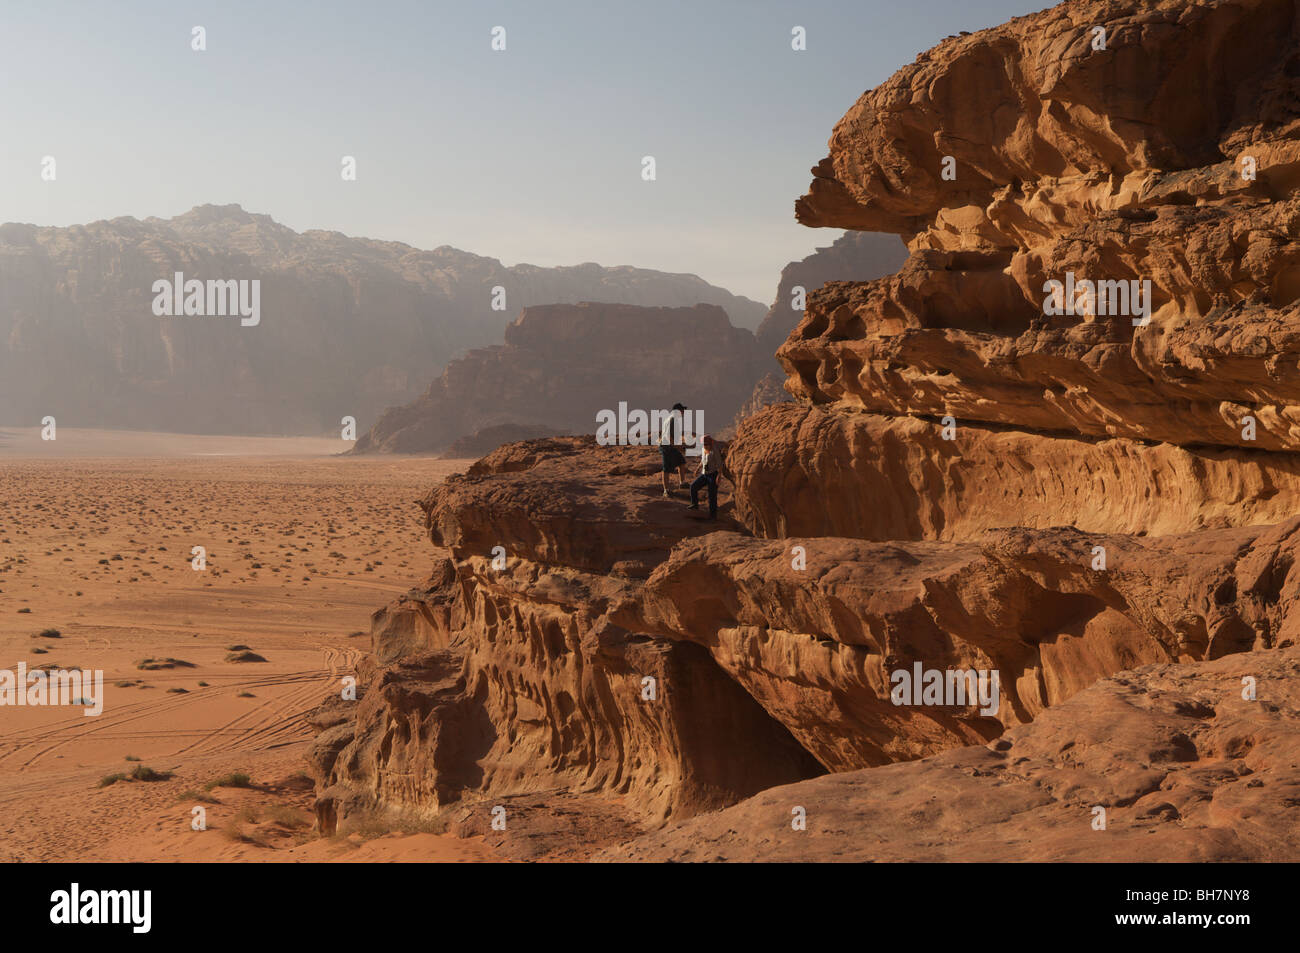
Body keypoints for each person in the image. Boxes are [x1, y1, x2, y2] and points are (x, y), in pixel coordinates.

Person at [688, 434, 725, 519]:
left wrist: (719, 476)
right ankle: (694, 504)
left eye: (706, 444)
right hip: (704, 474)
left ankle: (713, 515)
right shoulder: (703, 449)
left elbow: (719, 464)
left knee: (712, 495)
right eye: (703, 444)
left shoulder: (714, 451)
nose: (705, 446)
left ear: (710, 443)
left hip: (713, 475)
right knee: (693, 486)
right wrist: (697, 469)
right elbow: (702, 460)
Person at [659, 402, 689, 497]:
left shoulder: (670, 419)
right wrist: (677, 446)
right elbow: (668, 436)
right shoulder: (672, 420)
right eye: (682, 410)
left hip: (670, 446)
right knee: (666, 469)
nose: (683, 412)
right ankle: (666, 490)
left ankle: (682, 483)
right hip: (667, 447)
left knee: (681, 462)